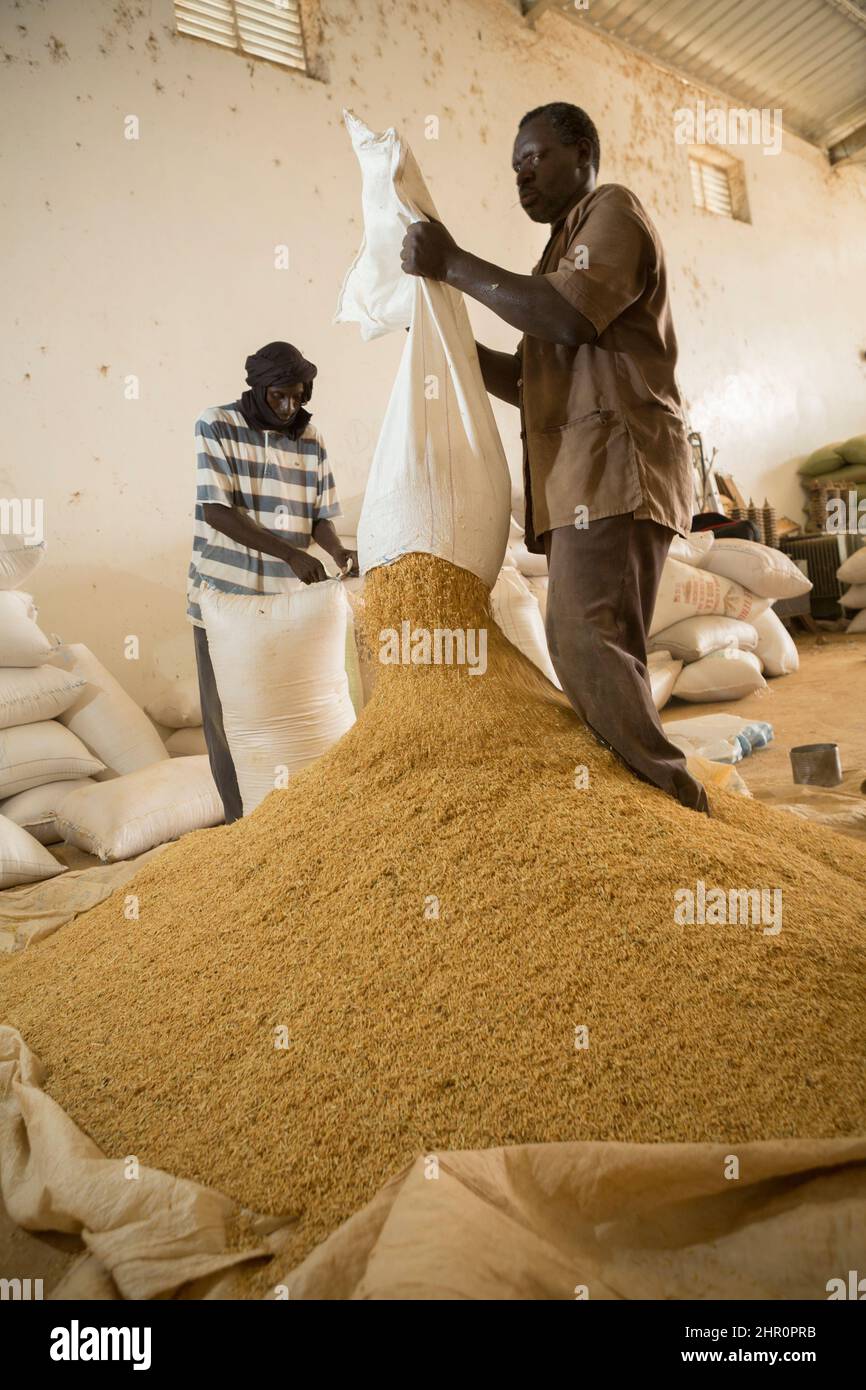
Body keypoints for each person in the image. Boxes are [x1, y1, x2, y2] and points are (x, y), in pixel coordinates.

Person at [400, 102, 708, 814]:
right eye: (514, 167)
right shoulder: (552, 256)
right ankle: (653, 805)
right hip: (584, 478)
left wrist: (454, 264)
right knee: (594, 647)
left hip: (617, 470)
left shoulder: (614, 214)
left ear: (583, 151)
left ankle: (673, 806)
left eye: (533, 158)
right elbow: (530, 375)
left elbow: (566, 315)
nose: (522, 176)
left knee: (583, 641)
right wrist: (448, 344)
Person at [187, 340, 357, 823]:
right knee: (231, 723)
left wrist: (337, 549)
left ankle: (302, 822)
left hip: (286, 605)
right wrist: (290, 554)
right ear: (257, 389)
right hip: (225, 601)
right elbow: (216, 511)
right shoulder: (216, 424)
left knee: (293, 714)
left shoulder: (311, 439)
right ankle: (241, 826)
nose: (288, 407)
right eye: (279, 396)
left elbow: (321, 516)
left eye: (298, 396)